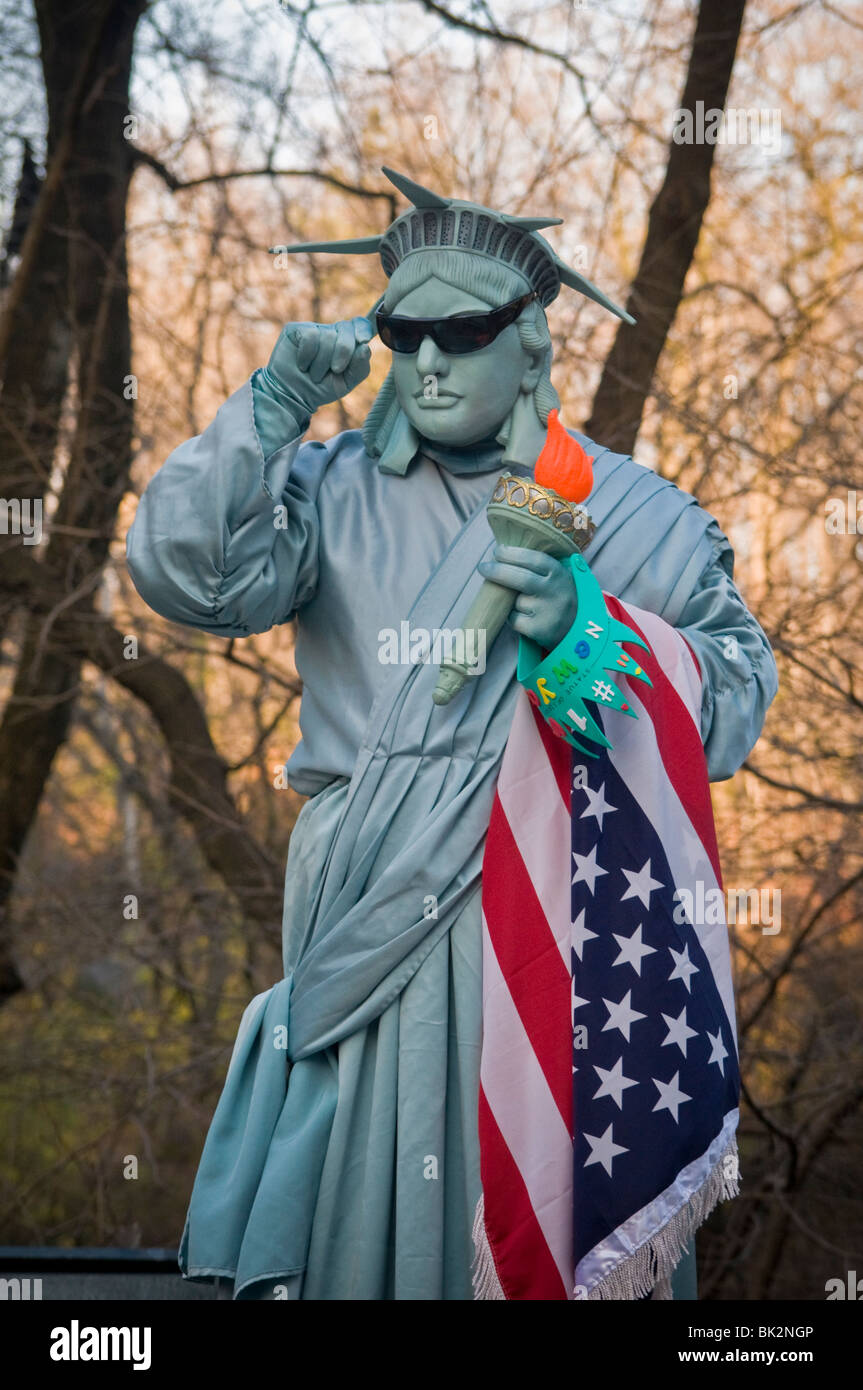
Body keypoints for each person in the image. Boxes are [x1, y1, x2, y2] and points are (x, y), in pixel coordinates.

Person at [126, 169, 778, 1300]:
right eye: (402, 333)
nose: (425, 361)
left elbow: (733, 703)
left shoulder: (633, 516)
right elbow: (180, 574)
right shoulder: (328, 490)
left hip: (551, 938)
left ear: (527, 344)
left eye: (462, 331)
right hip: (360, 917)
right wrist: (274, 405)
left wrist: (591, 627)